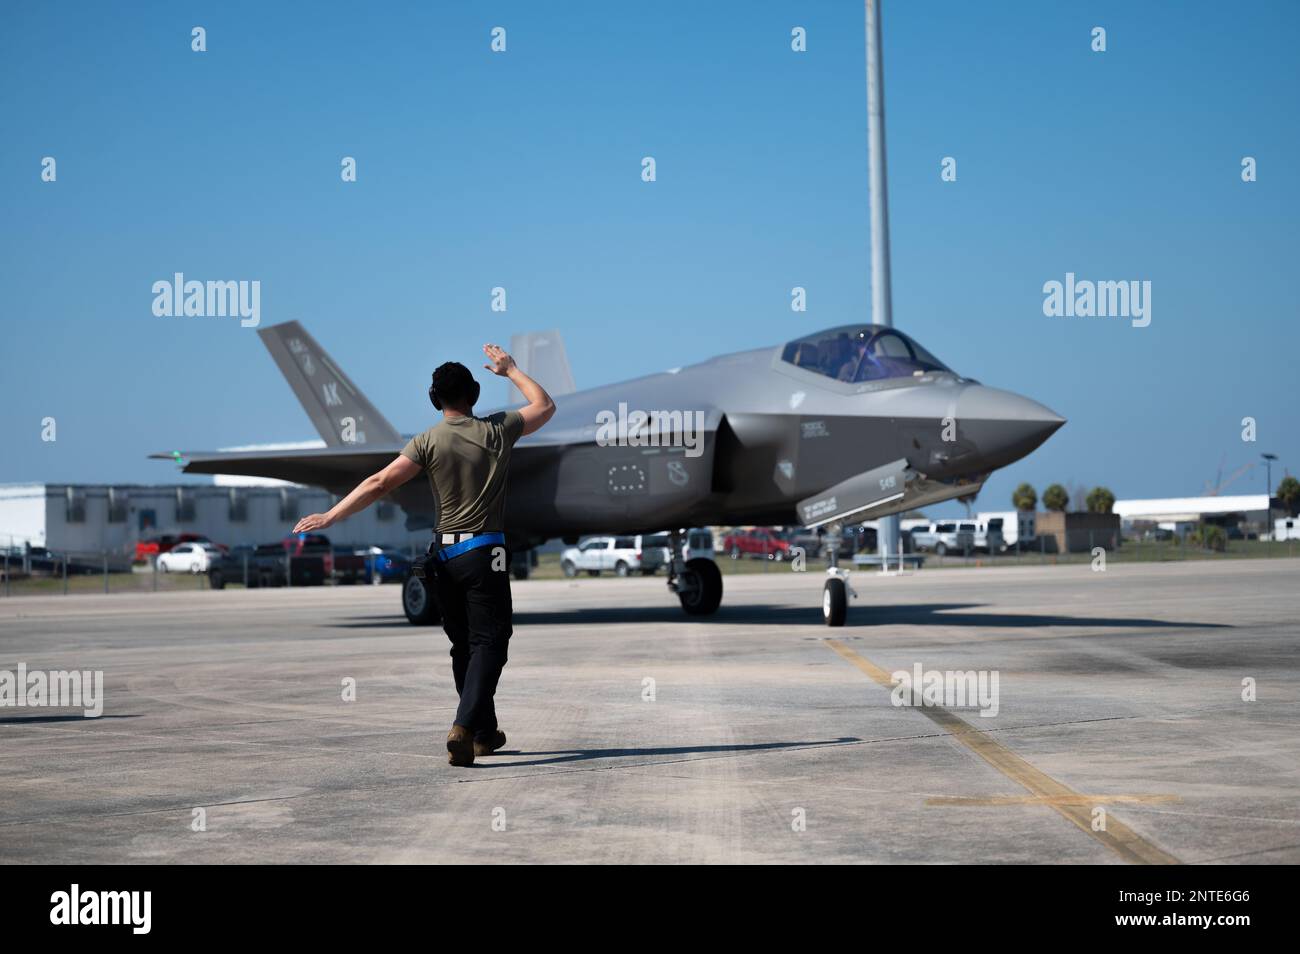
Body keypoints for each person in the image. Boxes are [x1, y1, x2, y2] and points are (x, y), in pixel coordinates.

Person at [293, 343, 556, 766]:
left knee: (463, 647)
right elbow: (544, 405)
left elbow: (379, 483)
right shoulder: (497, 429)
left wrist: (331, 515)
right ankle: (464, 727)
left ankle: (484, 733)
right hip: (486, 553)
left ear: (435, 400)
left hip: (444, 557)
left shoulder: (426, 441)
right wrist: (510, 370)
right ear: (473, 394)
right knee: (491, 642)